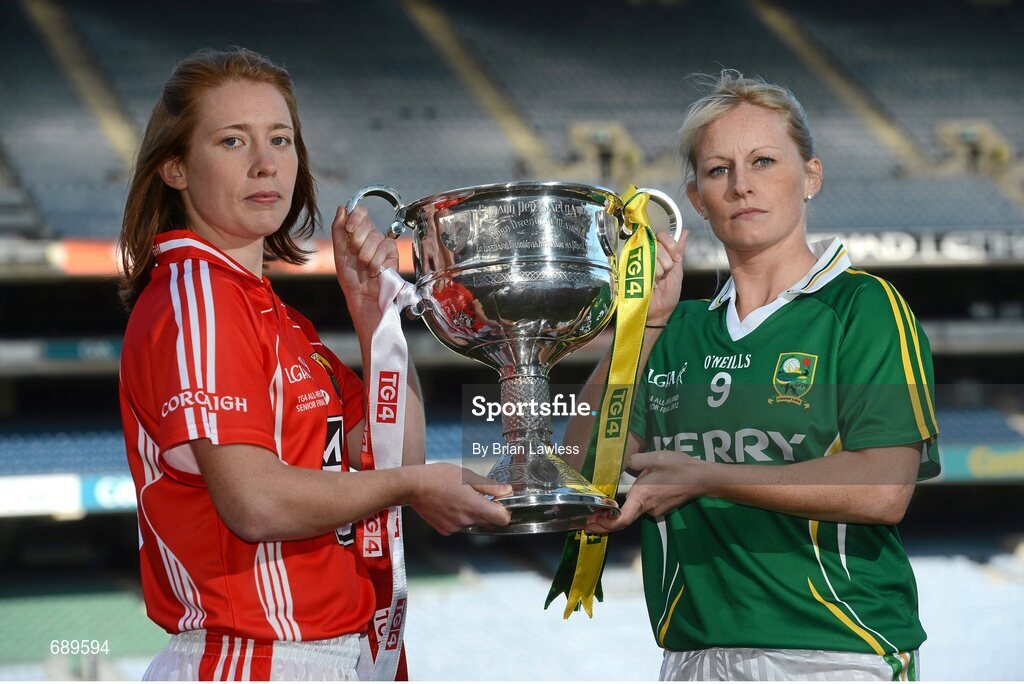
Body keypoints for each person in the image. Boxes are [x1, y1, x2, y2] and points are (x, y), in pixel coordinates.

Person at [117, 48, 511, 681]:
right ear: (175, 168)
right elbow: (255, 504)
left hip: (325, 656)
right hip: (251, 660)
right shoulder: (197, 297)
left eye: (280, 138)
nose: (266, 162)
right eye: (231, 141)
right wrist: (411, 487)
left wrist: (375, 319)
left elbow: (394, 456)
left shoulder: (277, 317)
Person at [564, 70, 940, 681]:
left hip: (835, 652)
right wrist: (641, 327)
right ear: (695, 199)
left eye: (764, 161)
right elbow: (583, 470)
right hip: (692, 656)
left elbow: (883, 489)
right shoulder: (675, 331)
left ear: (810, 177)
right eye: (719, 170)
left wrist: (708, 477)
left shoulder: (863, 308)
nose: (742, 185)